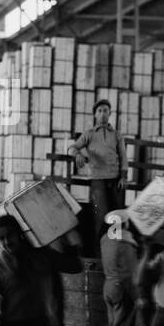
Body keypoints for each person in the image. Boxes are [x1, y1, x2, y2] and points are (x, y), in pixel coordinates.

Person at [70, 98, 125, 234]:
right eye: (99, 111)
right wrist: (77, 154)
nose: (102, 114)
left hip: (116, 180)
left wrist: (123, 177)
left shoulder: (117, 135)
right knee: (101, 215)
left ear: (110, 113)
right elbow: (72, 147)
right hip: (98, 180)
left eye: (105, 110)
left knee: (116, 216)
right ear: (95, 114)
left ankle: (114, 248)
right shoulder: (89, 134)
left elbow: (123, 157)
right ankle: (99, 250)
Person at [100, 209, 141, 326]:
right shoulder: (126, 244)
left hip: (108, 286)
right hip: (122, 288)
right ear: (126, 223)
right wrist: (138, 296)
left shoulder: (105, 240)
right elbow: (130, 273)